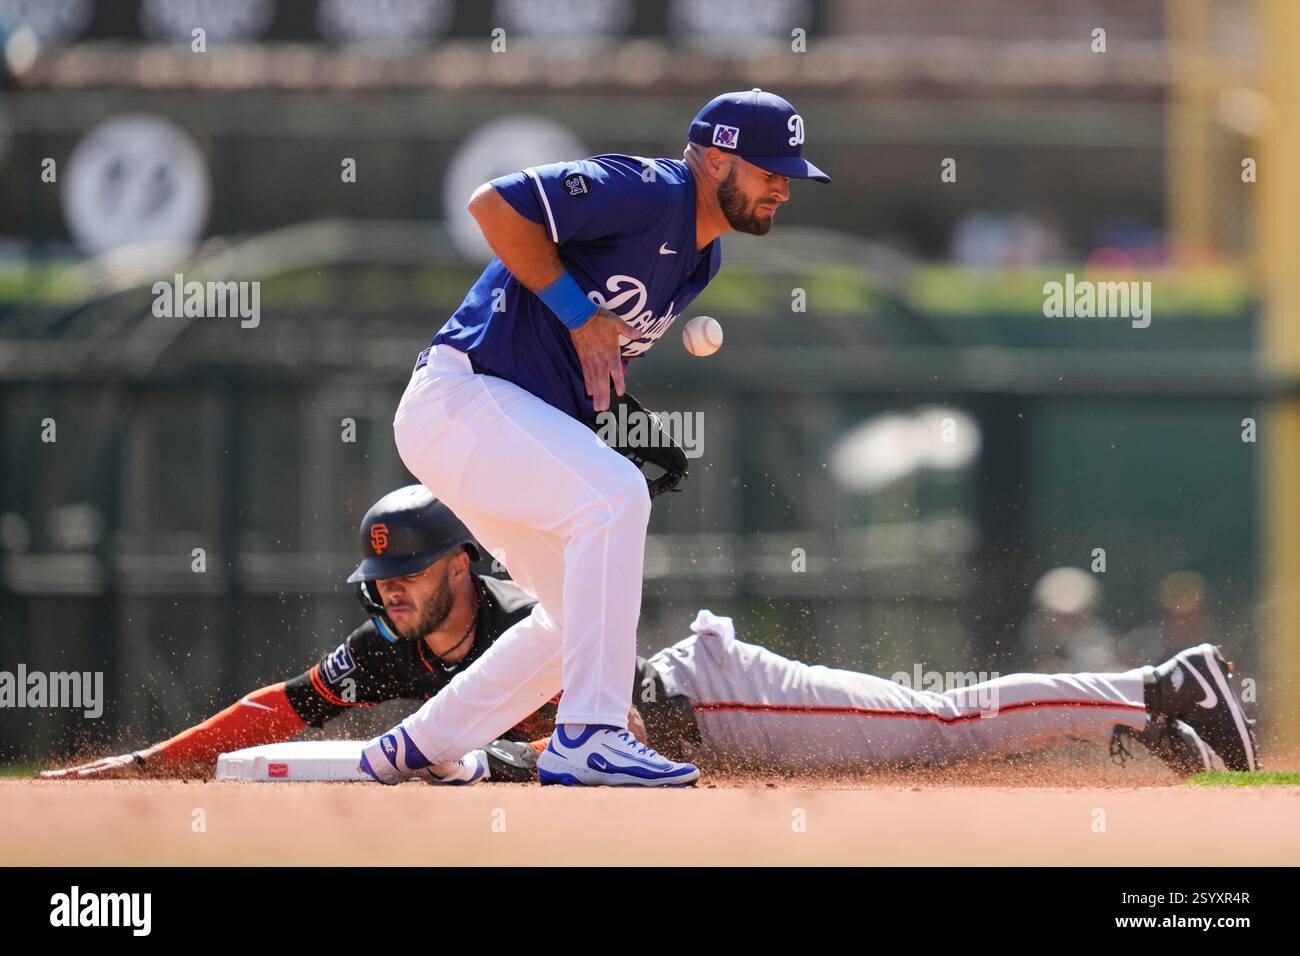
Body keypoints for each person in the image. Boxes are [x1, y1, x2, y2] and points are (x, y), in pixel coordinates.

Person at [365, 89, 831, 787]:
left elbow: (590, 357)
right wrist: (581, 315)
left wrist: (608, 419)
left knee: (569, 620)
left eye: (788, 173)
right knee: (613, 497)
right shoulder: (644, 190)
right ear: (713, 159)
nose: (782, 188)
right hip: (462, 396)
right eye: (768, 169)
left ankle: (413, 747)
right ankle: (591, 733)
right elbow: (492, 206)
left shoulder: (702, 259)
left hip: (499, 419)